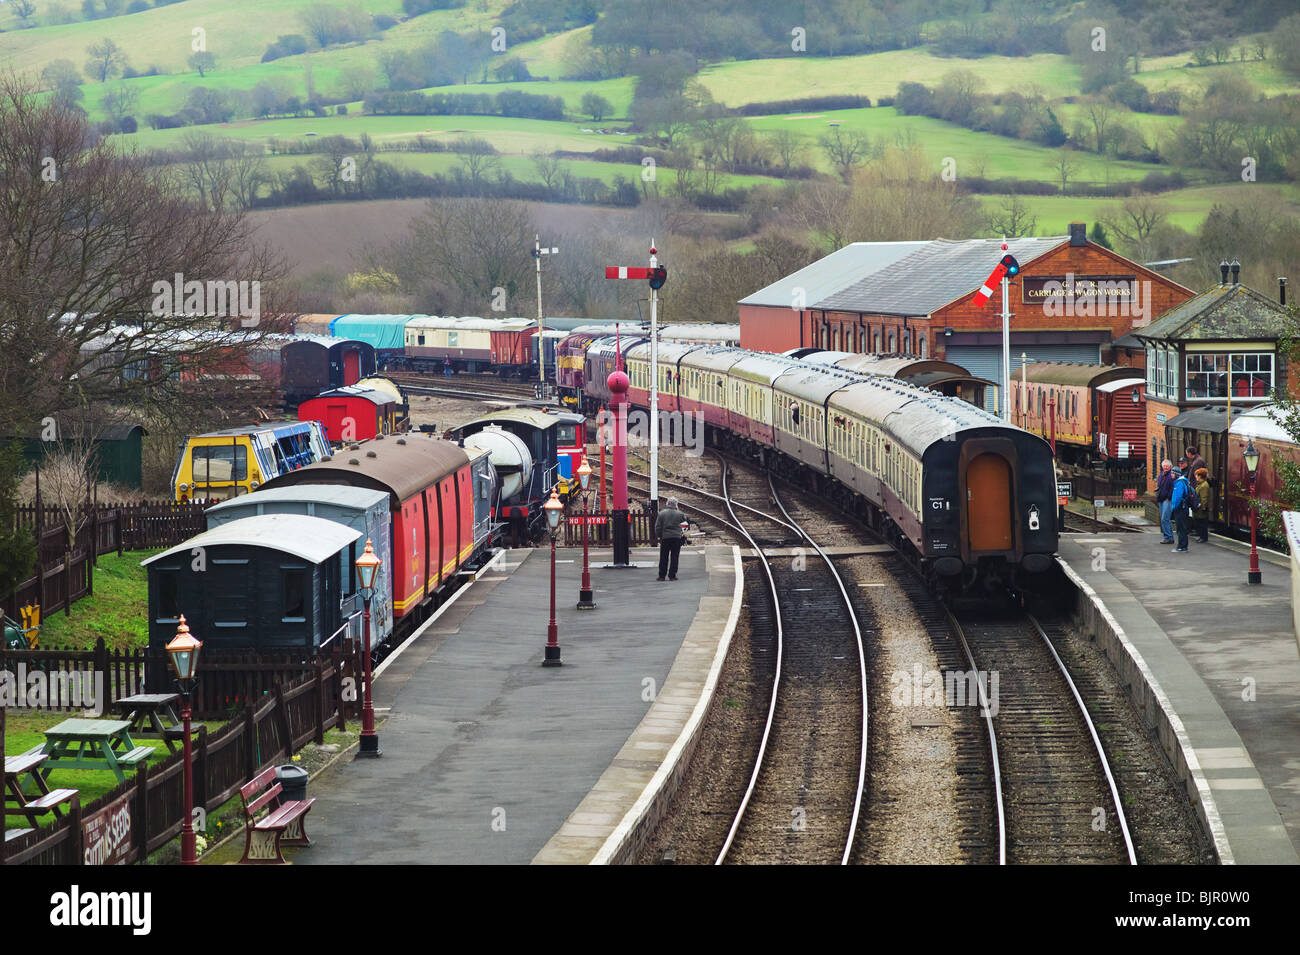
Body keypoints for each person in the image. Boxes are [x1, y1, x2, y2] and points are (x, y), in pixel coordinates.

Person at [655, 497, 688, 581]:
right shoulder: (680, 514)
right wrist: (681, 534)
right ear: (676, 504)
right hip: (676, 538)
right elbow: (685, 527)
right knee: (674, 557)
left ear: (667, 503)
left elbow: (657, 527)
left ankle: (662, 576)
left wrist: (659, 536)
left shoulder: (661, 514)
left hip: (665, 538)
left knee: (663, 557)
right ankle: (672, 575)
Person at [1169, 465, 1195, 553]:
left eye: (1172, 473)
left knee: (1181, 528)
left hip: (1180, 508)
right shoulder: (1183, 482)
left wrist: (1173, 507)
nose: (1171, 475)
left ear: (1176, 474)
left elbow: (1178, 497)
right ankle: (1183, 546)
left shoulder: (1179, 483)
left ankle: (1182, 546)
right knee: (1182, 528)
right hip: (1184, 508)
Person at [1155, 459, 1175, 544]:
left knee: (1164, 518)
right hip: (1161, 499)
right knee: (1165, 519)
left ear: (1170, 467)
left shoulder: (1171, 476)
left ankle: (1168, 537)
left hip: (1167, 499)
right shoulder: (1161, 475)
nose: (1165, 467)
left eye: (1167, 466)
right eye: (1164, 466)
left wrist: (1169, 497)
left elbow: (1172, 488)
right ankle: (1169, 537)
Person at [1194, 467, 1211, 543]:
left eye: (1197, 475)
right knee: (1200, 523)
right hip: (1199, 507)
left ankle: (1203, 537)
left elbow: (1204, 498)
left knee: (1202, 523)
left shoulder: (1204, 485)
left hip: (1201, 508)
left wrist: (1203, 507)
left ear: (1200, 476)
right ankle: (1202, 536)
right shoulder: (1201, 484)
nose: (1196, 477)